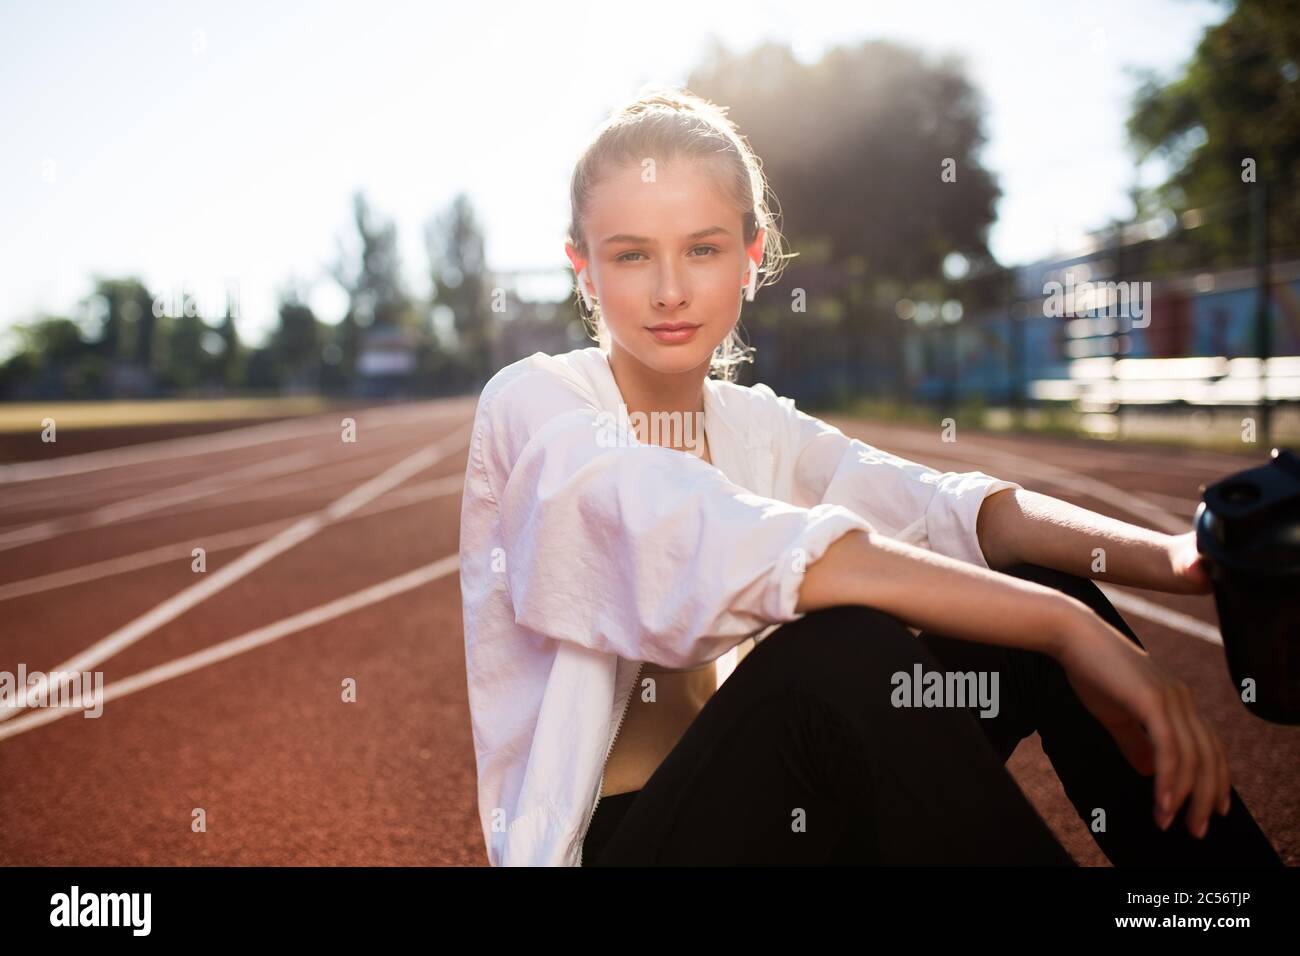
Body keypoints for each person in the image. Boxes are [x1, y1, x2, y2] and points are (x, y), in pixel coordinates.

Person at [457, 86, 1283, 867]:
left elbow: (942, 512)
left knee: (1032, 583)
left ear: (751, 256)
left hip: (786, 831)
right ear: (583, 267)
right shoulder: (534, 405)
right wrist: (1064, 629)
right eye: (632, 255)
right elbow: (695, 534)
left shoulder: (752, 422)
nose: (670, 290)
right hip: (628, 847)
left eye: (702, 249)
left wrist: (1179, 559)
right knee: (841, 656)